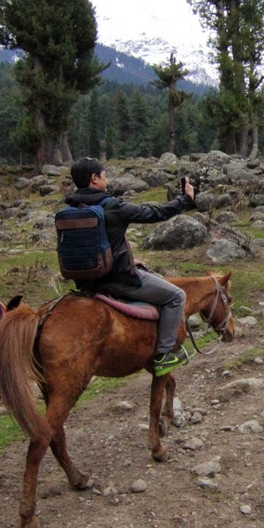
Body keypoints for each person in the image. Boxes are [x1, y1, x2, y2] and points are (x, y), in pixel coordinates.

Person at [65, 157, 197, 375]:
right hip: (117, 280)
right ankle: (164, 355)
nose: (106, 177)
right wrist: (185, 199)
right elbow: (156, 213)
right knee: (176, 296)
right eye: (104, 174)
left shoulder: (72, 208)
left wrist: (123, 257)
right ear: (94, 178)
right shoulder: (112, 206)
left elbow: (92, 245)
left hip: (87, 282)